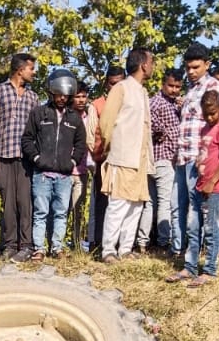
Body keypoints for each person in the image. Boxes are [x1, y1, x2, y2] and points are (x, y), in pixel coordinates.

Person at [168, 89, 219, 285]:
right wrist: (198, 163)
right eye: (206, 113)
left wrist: (212, 181)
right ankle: (190, 267)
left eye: (213, 112)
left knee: (211, 229)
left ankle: (210, 270)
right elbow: (205, 152)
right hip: (200, 185)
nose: (210, 117)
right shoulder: (205, 128)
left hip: (214, 187)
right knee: (193, 226)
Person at [98, 48, 156, 262]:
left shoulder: (142, 91)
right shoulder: (121, 88)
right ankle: (109, 251)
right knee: (119, 206)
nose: (153, 66)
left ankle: (125, 249)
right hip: (122, 157)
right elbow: (106, 122)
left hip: (140, 161)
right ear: (143, 65)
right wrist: (110, 148)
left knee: (136, 206)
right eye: (151, 62)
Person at [23, 68, 87, 258]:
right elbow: (27, 139)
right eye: (58, 95)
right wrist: (37, 159)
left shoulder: (74, 118)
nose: (62, 99)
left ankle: (57, 247)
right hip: (42, 175)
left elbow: (80, 144)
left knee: (61, 213)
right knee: (41, 213)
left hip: (65, 175)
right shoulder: (39, 113)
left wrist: (72, 162)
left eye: (65, 96)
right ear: (51, 93)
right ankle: (39, 249)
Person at [0, 52, 38, 260]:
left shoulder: (33, 97)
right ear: (20, 70)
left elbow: (36, 130)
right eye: (31, 68)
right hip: (4, 156)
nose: (33, 73)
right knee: (8, 203)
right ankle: (8, 245)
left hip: (25, 158)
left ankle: (26, 245)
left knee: (25, 202)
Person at [177, 45, 219, 257]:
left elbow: (215, 124)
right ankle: (189, 251)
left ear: (207, 64)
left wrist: (203, 157)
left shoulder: (212, 86)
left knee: (200, 210)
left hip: (199, 157)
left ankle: (204, 254)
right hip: (183, 155)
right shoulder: (191, 89)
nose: (191, 72)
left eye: (196, 67)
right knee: (186, 207)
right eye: (188, 68)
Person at [89, 63, 125, 252]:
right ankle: (99, 244)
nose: (115, 88)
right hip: (102, 161)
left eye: (119, 84)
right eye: (112, 84)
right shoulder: (96, 105)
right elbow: (90, 136)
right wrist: (99, 157)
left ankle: (121, 245)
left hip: (125, 162)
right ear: (106, 84)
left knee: (122, 204)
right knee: (102, 203)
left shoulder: (128, 105)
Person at [148, 67, 184, 253]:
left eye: (178, 86)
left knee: (153, 203)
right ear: (163, 84)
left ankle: (151, 239)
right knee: (165, 202)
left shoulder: (173, 104)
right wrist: (159, 130)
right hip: (163, 158)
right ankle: (163, 241)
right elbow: (148, 120)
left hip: (164, 159)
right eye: (171, 86)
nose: (174, 90)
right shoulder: (156, 102)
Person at [70, 81, 97, 251]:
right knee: (61, 210)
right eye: (77, 96)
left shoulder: (89, 118)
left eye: (83, 96)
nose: (81, 100)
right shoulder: (66, 116)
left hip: (81, 171)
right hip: (65, 171)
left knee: (78, 210)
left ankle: (76, 243)